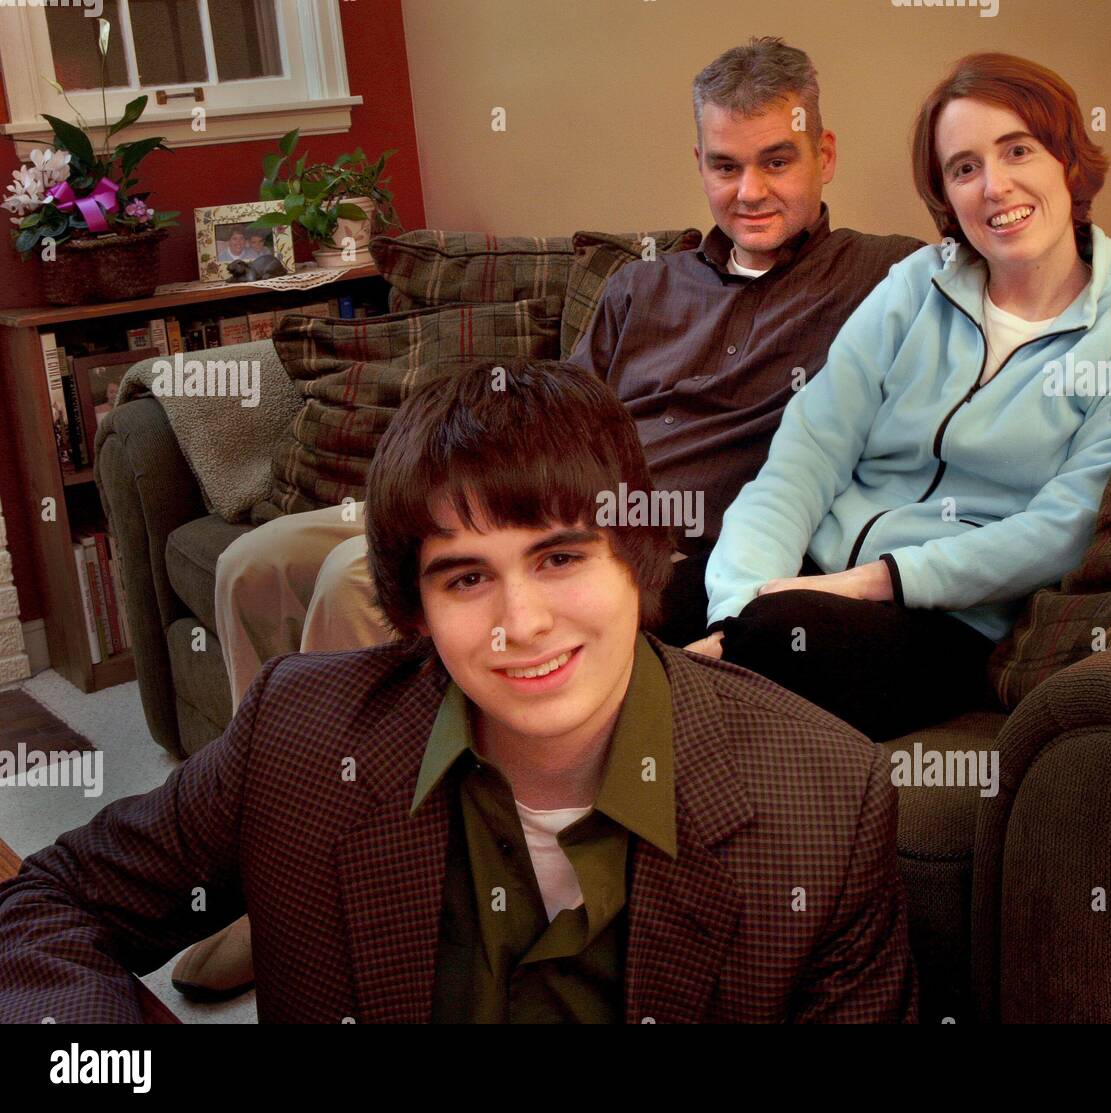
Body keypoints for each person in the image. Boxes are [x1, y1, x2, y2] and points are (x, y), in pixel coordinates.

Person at [175, 37, 924, 999]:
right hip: (525, 501)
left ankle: (345, 866)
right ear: (697, 163)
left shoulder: (879, 280)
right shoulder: (640, 286)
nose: (750, 191)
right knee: (258, 558)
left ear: (825, 155)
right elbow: (546, 421)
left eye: (777, 161)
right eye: (725, 165)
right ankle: (277, 846)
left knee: (352, 584)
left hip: (637, 543)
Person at [0, 358, 918, 1024]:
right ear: (417, 606)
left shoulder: (827, 800)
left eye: (559, 557)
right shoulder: (300, 732)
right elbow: (49, 900)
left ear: (637, 563)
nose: (522, 620)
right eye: (467, 578)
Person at [686, 52, 1111, 742]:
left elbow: (1068, 523)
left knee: (776, 633)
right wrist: (732, 609)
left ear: (1068, 159)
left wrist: (861, 584)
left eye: (1017, 150)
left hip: (950, 616)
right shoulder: (917, 283)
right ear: (945, 191)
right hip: (799, 582)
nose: (994, 186)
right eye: (964, 168)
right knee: (640, 603)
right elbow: (806, 452)